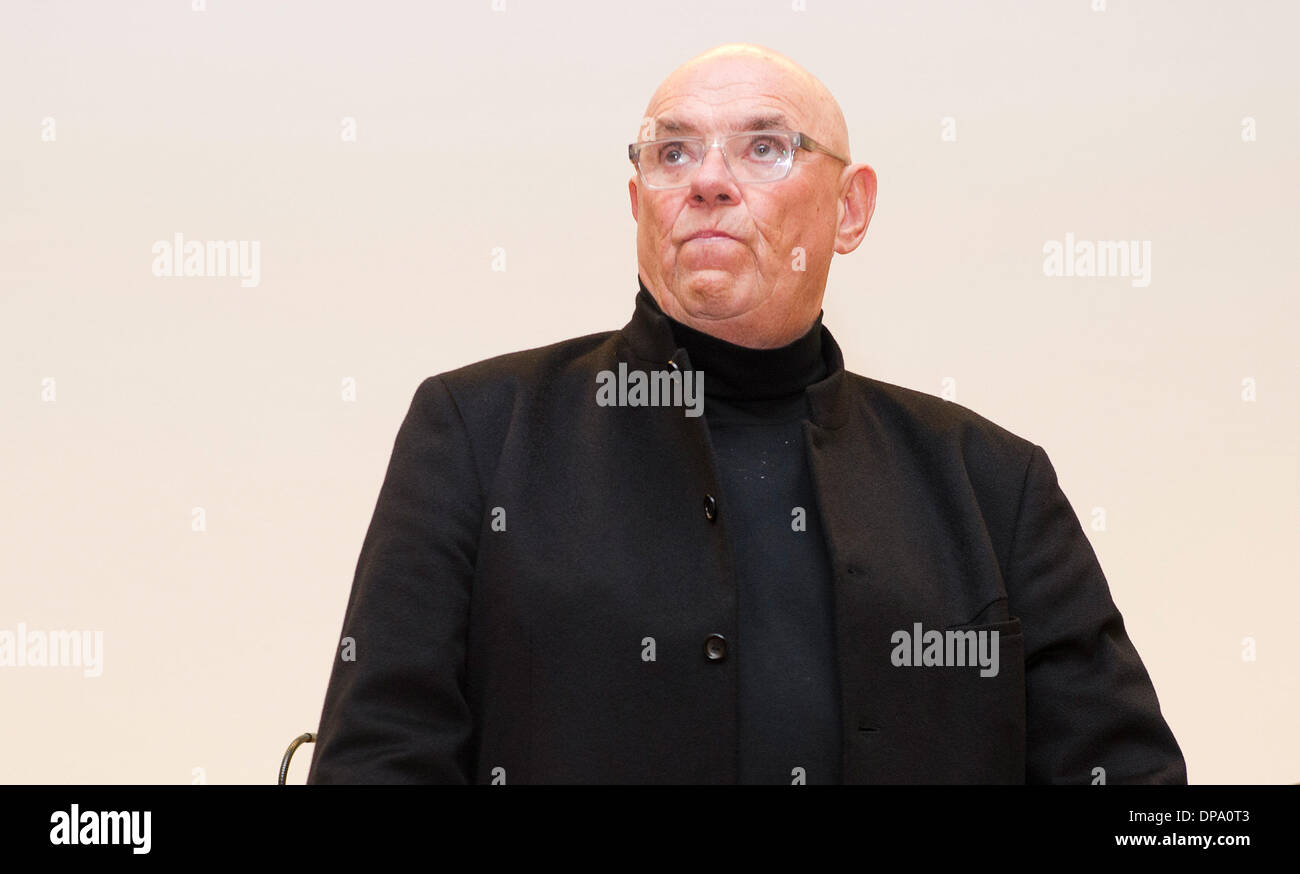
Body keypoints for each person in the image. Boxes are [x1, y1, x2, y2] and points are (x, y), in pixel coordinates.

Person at [306, 43, 1186, 785]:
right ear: (637, 202)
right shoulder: (476, 433)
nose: (709, 182)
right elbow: (380, 762)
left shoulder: (994, 483)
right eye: (674, 153)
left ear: (851, 209)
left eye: (765, 148)